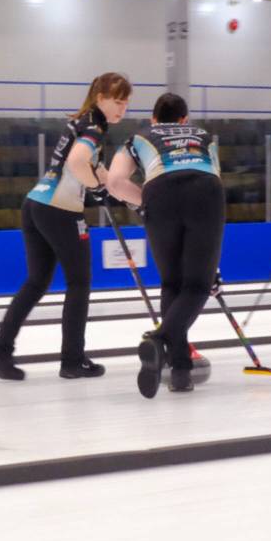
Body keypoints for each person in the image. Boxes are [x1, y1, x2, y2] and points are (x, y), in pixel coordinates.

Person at [0, 72, 131, 381]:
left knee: (36, 282)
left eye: (126, 103)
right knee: (79, 283)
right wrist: (96, 189)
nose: (123, 109)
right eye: (118, 102)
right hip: (60, 210)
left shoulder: (82, 122)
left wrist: (121, 193)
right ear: (100, 97)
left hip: (35, 203)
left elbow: (95, 168)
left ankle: (0, 351)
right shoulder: (93, 127)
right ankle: (72, 360)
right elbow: (78, 164)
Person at [106, 92, 224, 398]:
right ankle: (159, 342)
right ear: (185, 119)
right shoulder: (203, 136)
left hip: (158, 193)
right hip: (205, 190)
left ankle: (181, 371)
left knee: (171, 283)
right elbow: (214, 174)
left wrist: (145, 204)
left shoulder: (139, 136)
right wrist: (212, 264)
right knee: (198, 285)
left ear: (153, 119)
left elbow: (115, 182)